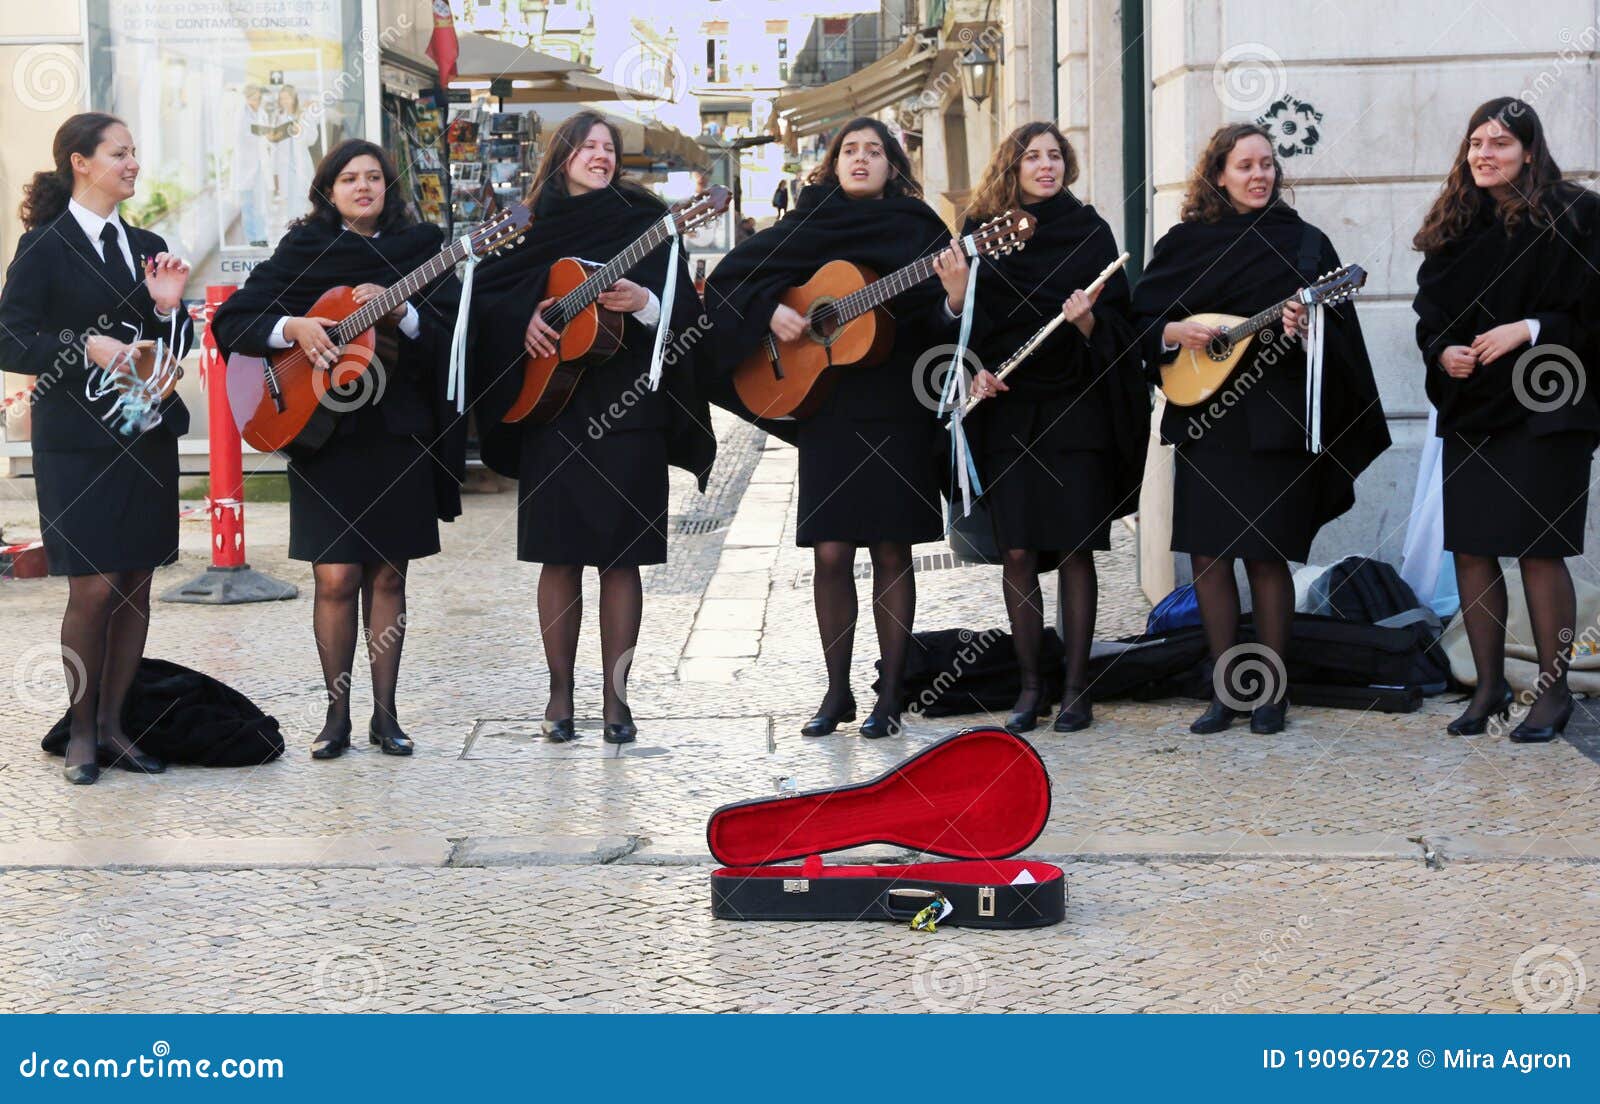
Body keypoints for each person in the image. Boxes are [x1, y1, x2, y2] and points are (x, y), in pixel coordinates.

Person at [704, 117, 969, 738]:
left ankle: (891, 697)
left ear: (891, 165)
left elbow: (940, 323)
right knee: (830, 552)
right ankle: (836, 692)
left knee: (891, 549)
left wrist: (954, 298)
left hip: (896, 407)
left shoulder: (918, 227)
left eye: (874, 150)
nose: (860, 158)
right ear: (833, 161)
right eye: (849, 149)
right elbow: (727, 283)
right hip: (829, 409)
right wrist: (771, 312)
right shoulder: (805, 224)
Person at [210, 139, 467, 759]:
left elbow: (455, 340)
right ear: (329, 189)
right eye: (349, 178)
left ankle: (386, 715)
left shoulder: (423, 249)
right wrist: (292, 326)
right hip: (324, 437)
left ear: (389, 187)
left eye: (374, 177)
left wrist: (404, 317)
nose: (363, 187)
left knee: (387, 575)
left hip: (396, 434)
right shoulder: (302, 249)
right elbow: (234, 322)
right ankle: (335, 716)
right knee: (335, 575)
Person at [1133, 123, 1389, 735]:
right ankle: (1226, 692)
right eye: (1244, 165)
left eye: (1267, 164)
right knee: (1210, 558)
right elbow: (1140, 321)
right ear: (1217, 174)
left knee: (1268, 557)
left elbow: (1343, 342)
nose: (1258, 175)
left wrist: (1307, 331)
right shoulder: (1185, 244)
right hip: (1207, 422)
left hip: (1276, 421)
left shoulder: (1305, 247)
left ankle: (1272, 693)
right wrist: (1177, 333)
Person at [470, 111, 716, 746]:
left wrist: (647, 304)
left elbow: (685, 312)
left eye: (609, 148)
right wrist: (521, 320)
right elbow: (485, 301)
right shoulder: (530, 226)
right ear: (563, 157)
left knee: (621, 556)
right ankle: (559, 695)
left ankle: (616, 697)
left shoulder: (650, 223)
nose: (600, 156)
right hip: (552, 412)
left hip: (630, 409)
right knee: (559, 554)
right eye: (588, 147)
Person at [0, 112, 193, 784]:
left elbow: (175, 348)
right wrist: (83, 345)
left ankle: (114, 728)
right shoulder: (43, 248)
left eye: (135, 152)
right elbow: (10, 338)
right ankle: (80, 733)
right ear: (80, 162)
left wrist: (168, 310)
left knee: (137, 582)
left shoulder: (148, 243)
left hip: (144, 434)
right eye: (120, 153)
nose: (133, 163)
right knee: (94, 586)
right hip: (78, 445)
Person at [1413, 97, 1600, 742]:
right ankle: (1489, 690)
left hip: (1551, 409)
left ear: (1529, 150)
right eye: (1476, 144)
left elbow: (1593, 315)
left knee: (1541, 552)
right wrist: (1444, 351)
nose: (1485, 155)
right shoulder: (1455, 224)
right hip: (1476, 410)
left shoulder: (1577, 215)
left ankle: (1553, 696)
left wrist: (1530, 328)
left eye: (1500, 143)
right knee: (1472, 546)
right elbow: (1429, 314)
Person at [960, 122, 1148, 734]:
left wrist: (1090, 323)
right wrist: (974, 367)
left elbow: (1127, 331)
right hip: (1008, 410)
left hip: (1077, 407)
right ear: (1011, 168)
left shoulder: (1091, 232)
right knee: (1015, 550)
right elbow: (961, 334)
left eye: (1055, 156)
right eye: (1032, 157)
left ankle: (1075, 688)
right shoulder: (981, 238)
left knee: (1073, 547)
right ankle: (1030, 686)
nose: (1046, 166)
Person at [270, 85, 316, 230]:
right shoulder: (278, 118)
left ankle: (305, 234)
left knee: (303, 202)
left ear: (294, 98)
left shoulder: (304, 116)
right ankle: (293, 236)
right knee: (288, 204)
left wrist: (299, 131)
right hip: (285, 167)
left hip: (300, 165)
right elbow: (276, 147)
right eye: (282, 98)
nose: (284, 101)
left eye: (287, 97)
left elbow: (312, 139)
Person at [233, 83, 270, 246]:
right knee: (247, 204)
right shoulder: (241, 114)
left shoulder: (262, 113)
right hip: (245, 166)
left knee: (260, 204)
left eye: (257, 97)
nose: (255, 100)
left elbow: (265, 136)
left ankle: (261, 236)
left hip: (260, 165)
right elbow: (243, 136)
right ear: (247, 98)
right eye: (252, 97)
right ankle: (252, 238)